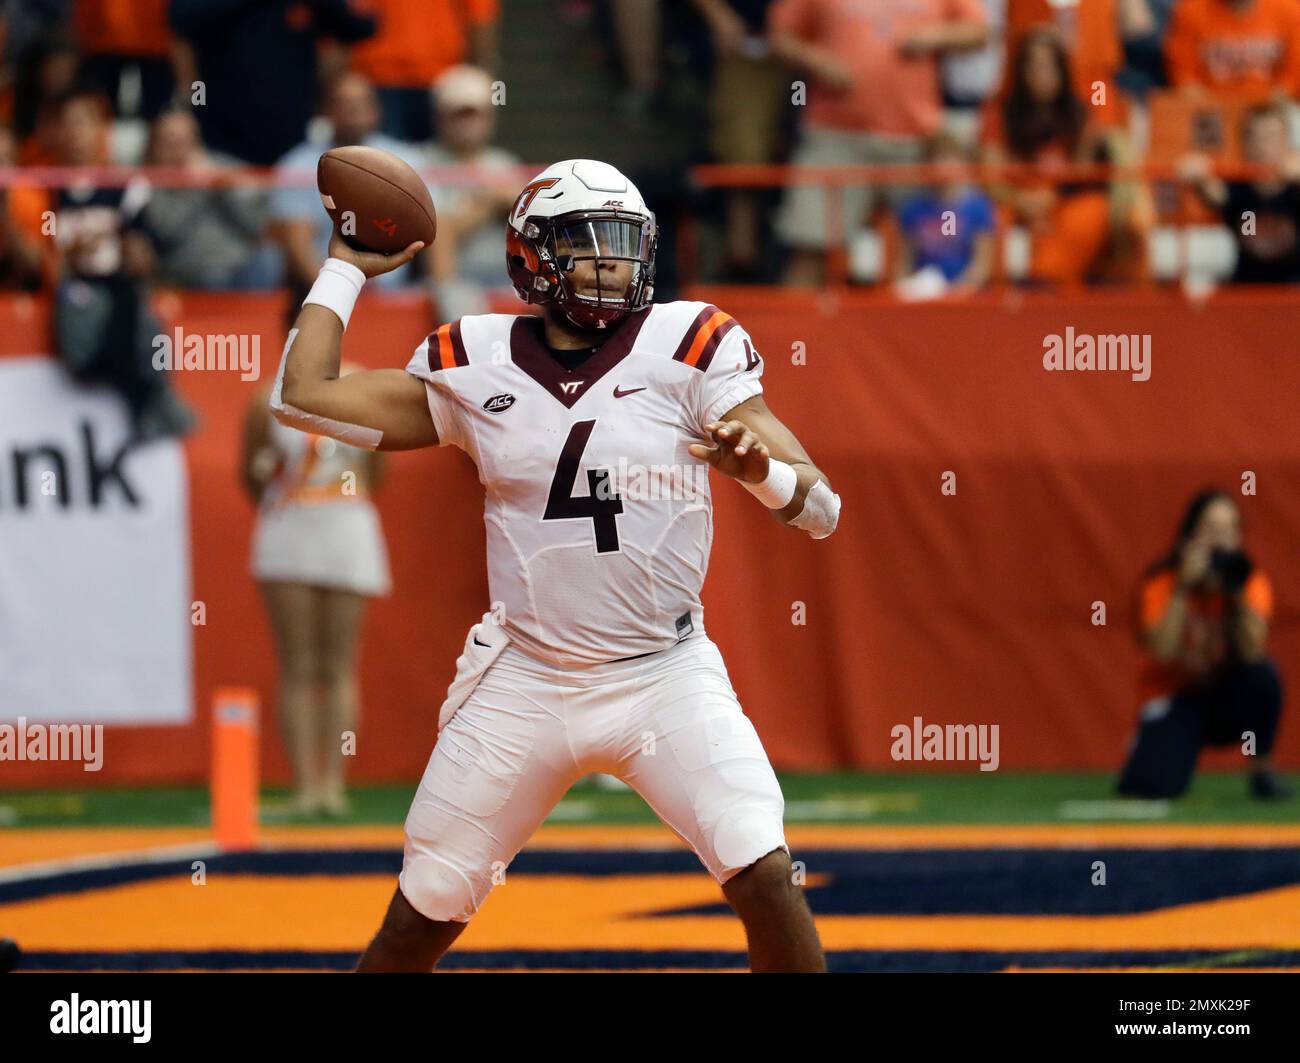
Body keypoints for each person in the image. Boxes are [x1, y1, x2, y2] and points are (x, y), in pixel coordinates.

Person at [271, 158, 839, 972]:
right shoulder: (475, 354)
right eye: (587, 244)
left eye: (623, 243)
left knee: (766, 872)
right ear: (531, 258)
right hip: (528, 673)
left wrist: (763, 473)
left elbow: (822, 511)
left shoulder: (690, 342)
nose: (612, 263)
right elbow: (301, 397)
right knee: (423, 910)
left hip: (663, 671)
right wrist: (345, 267)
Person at [242, 368, 391, 817]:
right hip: (289, 525)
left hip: (346, 524)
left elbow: (379, 468)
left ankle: (333, 787)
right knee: (298, 662)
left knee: (339, 662)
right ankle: (306, 786)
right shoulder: (264, 398)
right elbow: (250, 475)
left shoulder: (363, 386)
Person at [769, 0, 987, 286]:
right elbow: (780, 35)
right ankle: (791, 332)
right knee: (811, 248)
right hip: (834, 136)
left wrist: (933, 36)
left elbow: (979, 31)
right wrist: (818, 60)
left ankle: (925, 330)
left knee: (932, 250)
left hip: (917, 140)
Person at [1119, 489, 1290, 800]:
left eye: (1227, 531)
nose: (1218, 541)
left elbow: (1253, 654)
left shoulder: (1250, 582)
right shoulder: (1163, 581)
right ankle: (1152, 749)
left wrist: (1235, 597)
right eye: (1210, 530)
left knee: (1265, 676)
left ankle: (1262, 768)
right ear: (1189, 536)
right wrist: (1183, 589)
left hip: (1226, 698)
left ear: (1239, 539)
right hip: (1176, 697)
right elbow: (1163, 650)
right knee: (1153, 787)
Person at [982, 26, 1152, 285]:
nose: (1042, 75)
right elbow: (990, 178)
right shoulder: (1001, 116)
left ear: (1062, 71)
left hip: (1063, 202)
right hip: (1014, 203)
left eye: (1049, 66)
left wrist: (1051, 199)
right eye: (1034, 66)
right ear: (1021, 71)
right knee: (987, 217)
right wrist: (1022, 201)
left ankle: (1050, 287)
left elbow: (1082, 174)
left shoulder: (1078, 116)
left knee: (1095, 210)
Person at [270, 71, 424, 299]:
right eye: (343, 103)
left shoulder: (406, 161)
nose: (353, 110)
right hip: (323, 282)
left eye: (362, 102)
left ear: (377, 110)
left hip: (393, 288)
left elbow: (428, 228)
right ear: (325, 111)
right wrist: (330, 294)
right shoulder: (297, 165)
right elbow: (296, 237)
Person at [1178, 102, 1300, 284]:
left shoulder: (1294, 187)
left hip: (1292, 292)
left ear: (1286, 143)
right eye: (1255, 138)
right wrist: (1199, 174)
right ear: (1243, 145)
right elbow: (1215, 194)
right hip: (1247, 287)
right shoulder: (1237, 187)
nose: (1262, 147)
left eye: (1271, 137)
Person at [893, 131, 995, 297]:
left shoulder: (978, 206)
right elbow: (903, 263)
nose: (942, 167)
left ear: (963, 163)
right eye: (936, 160)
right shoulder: (912, 209)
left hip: (966, 296)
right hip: (923, 294)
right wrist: (905, 291)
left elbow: (982, 263)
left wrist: (958, 292)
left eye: (948, 159)